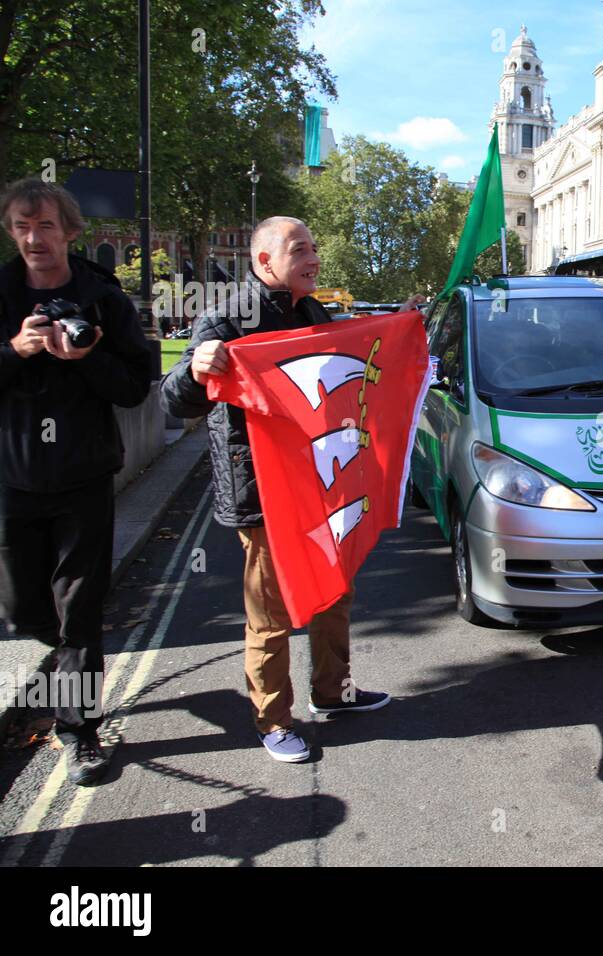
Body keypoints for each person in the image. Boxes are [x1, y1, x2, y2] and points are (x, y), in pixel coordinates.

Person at [160, 216, 390, 763]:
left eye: (313, 245)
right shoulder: (226, 317)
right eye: (300, 248)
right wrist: (195, 371)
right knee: (270, 611)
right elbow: (175, 400)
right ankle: (273, 721)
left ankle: (333, 693)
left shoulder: (313, 312)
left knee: (334, 590)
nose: (314, 256)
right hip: (261, 489)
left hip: (320, 483)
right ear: (265, 262)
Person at [0, 179, 152, 785]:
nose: (34, 238)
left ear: (69, 231)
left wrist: (85, 356)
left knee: (80, 615)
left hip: (84, 476)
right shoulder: (1, 293)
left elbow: (135, 385)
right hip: (14, 477)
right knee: (24, 609)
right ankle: (62, 652)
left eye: (45, 226)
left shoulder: (103, 299)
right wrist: (17, 349)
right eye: (21, 226)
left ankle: (80, 730)